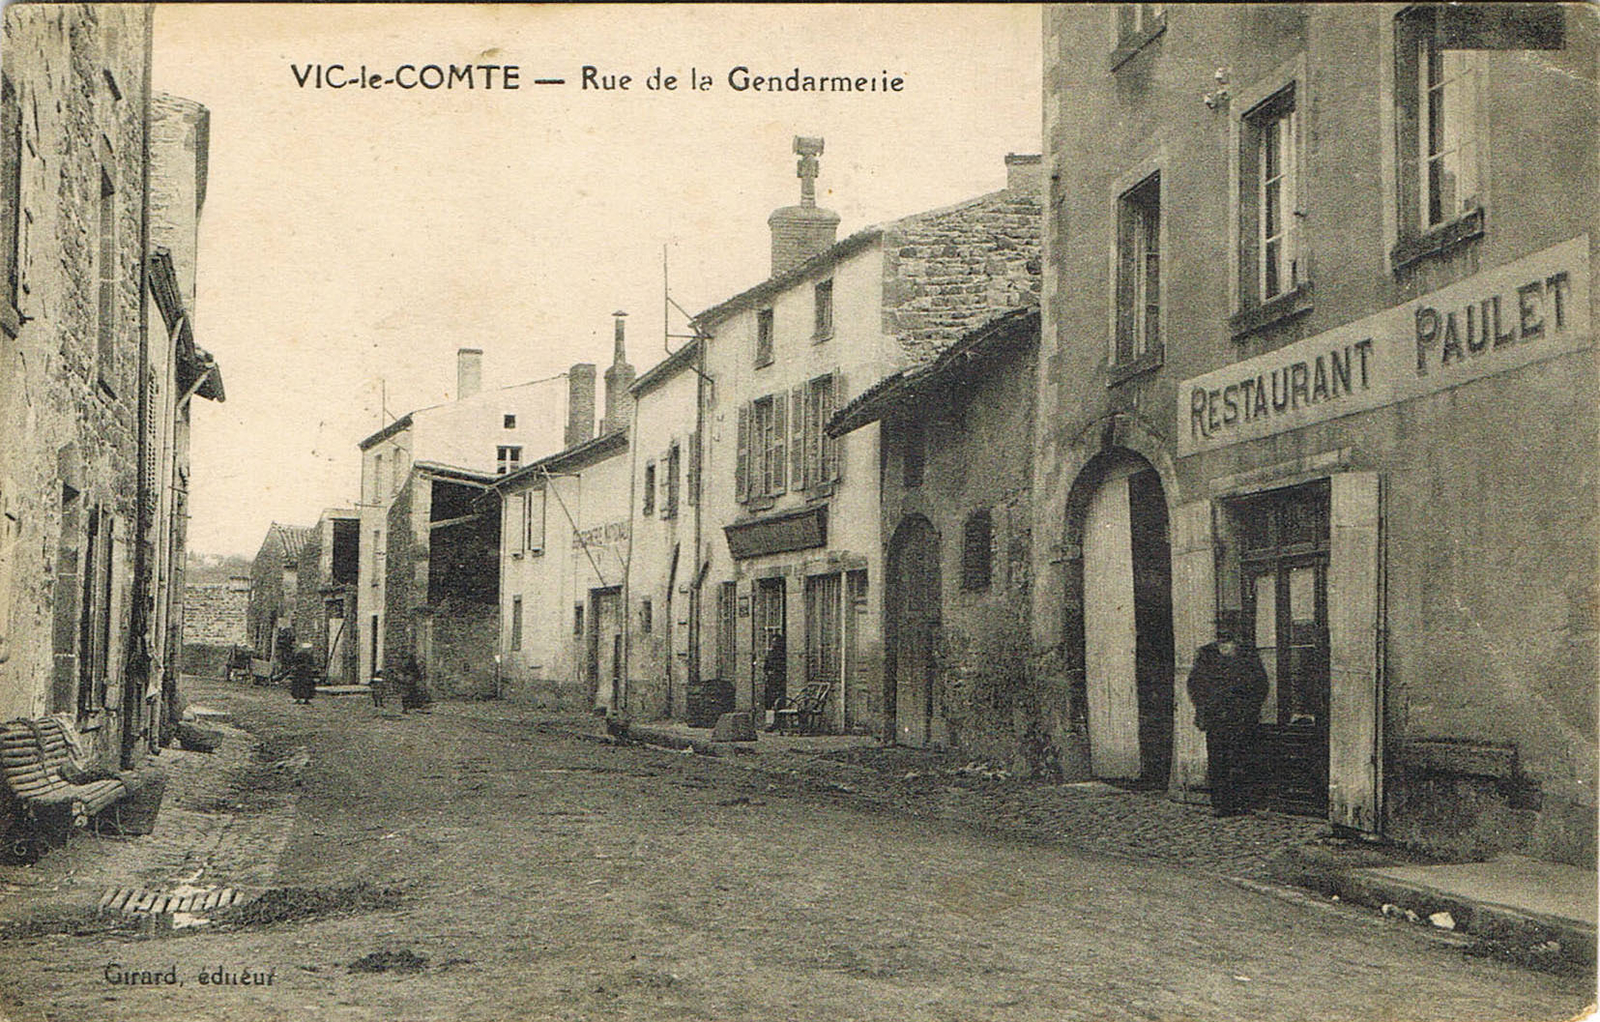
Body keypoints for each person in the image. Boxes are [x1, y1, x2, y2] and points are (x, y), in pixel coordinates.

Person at [1186, 614, 1268, 817]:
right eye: (1221, 631)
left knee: (1241, 758)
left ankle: (1243, 803)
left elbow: (1261, 683)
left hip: (1241, 717)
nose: (1224, 636)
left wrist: (1251, 708)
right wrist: (1203, 707)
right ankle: (1221, 804)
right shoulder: (1206, 654)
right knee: (1218, 760)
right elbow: (1194, 684)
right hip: (1216, 717)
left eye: (1228, 631)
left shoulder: (1248, 653)